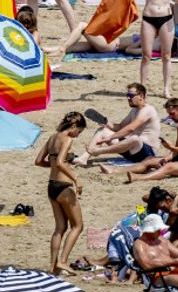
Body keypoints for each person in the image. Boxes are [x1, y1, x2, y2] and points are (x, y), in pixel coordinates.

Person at [36, 111, 86, 274]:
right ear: (73, 126)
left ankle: (52, 267)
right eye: (79, 131)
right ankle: (63, 261)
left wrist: (58, 165)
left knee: (60, 228)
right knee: (78, 226)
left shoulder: (52, 138)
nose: (77, 136)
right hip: (64, 186)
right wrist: (76, 178)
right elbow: (59, 162)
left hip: (51, 186)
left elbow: (38, 161)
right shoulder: (68, 139)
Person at [124, 98, 178, 182]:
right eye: (169, 114)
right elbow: (177, 150)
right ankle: (117, 171)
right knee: (149, 160)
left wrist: (171, 148)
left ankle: (138, 178)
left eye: (172, 114)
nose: (170, 117)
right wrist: (166, 158)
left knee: (168, 167)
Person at [76, 81, 161, 167]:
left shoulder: (148, 110)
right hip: (133, 151)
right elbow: (120, 127)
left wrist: (111, 137)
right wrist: (106, 122)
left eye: (131, 96)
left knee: (135, 138)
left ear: (141, 96)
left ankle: (98, 151)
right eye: (127, 95)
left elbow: (131, 128)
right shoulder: (134, 110)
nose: (128, 98)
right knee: (102, 131)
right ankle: (84, 158)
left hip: (147, 154)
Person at [133, 0, 178, 96]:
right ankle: (142, 88)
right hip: (149, 18)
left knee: (166, 56)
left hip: (166, 18)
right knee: (146, 55)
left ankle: (166, 88)